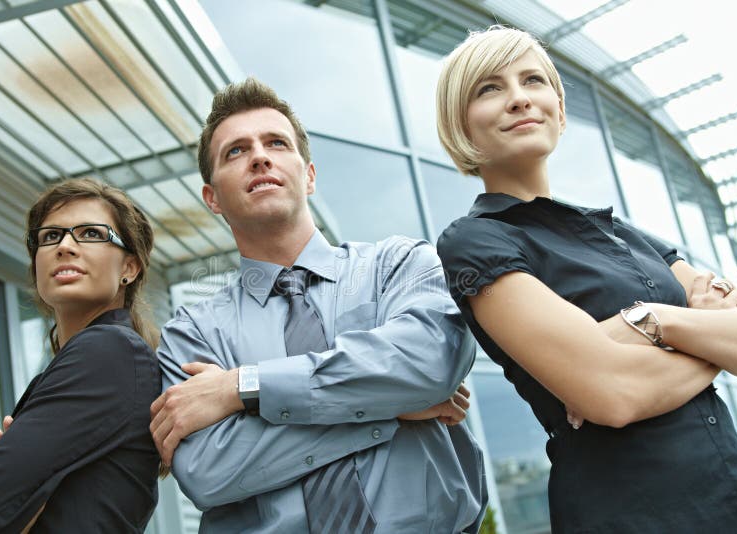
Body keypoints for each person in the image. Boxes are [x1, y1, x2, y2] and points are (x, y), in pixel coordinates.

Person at [435, 26, 737, 533]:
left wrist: (654, 321)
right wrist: (702, 333)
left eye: (532, 80)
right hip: (628, 515)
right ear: (460, 124)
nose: (518, 99)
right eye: (489, 88)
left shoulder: (627, 234)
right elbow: (613, 395)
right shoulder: (476, 243)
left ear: (557, 107)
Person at [150, 77, 487, 533]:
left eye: (276, 143)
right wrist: (387, 405)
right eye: (236, 151)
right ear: (212, 198)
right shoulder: (191, 332)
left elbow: (428, 365)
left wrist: (243, 389)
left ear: (309, 176)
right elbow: (210, 472)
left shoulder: (399, 264)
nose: (260, 156)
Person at [0, 178, 162, 533]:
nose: (65, 246)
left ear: (129, 268)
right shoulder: (91, 359)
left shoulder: (108, 351)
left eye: (91, 234)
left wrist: (1, 491)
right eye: (50, 237)